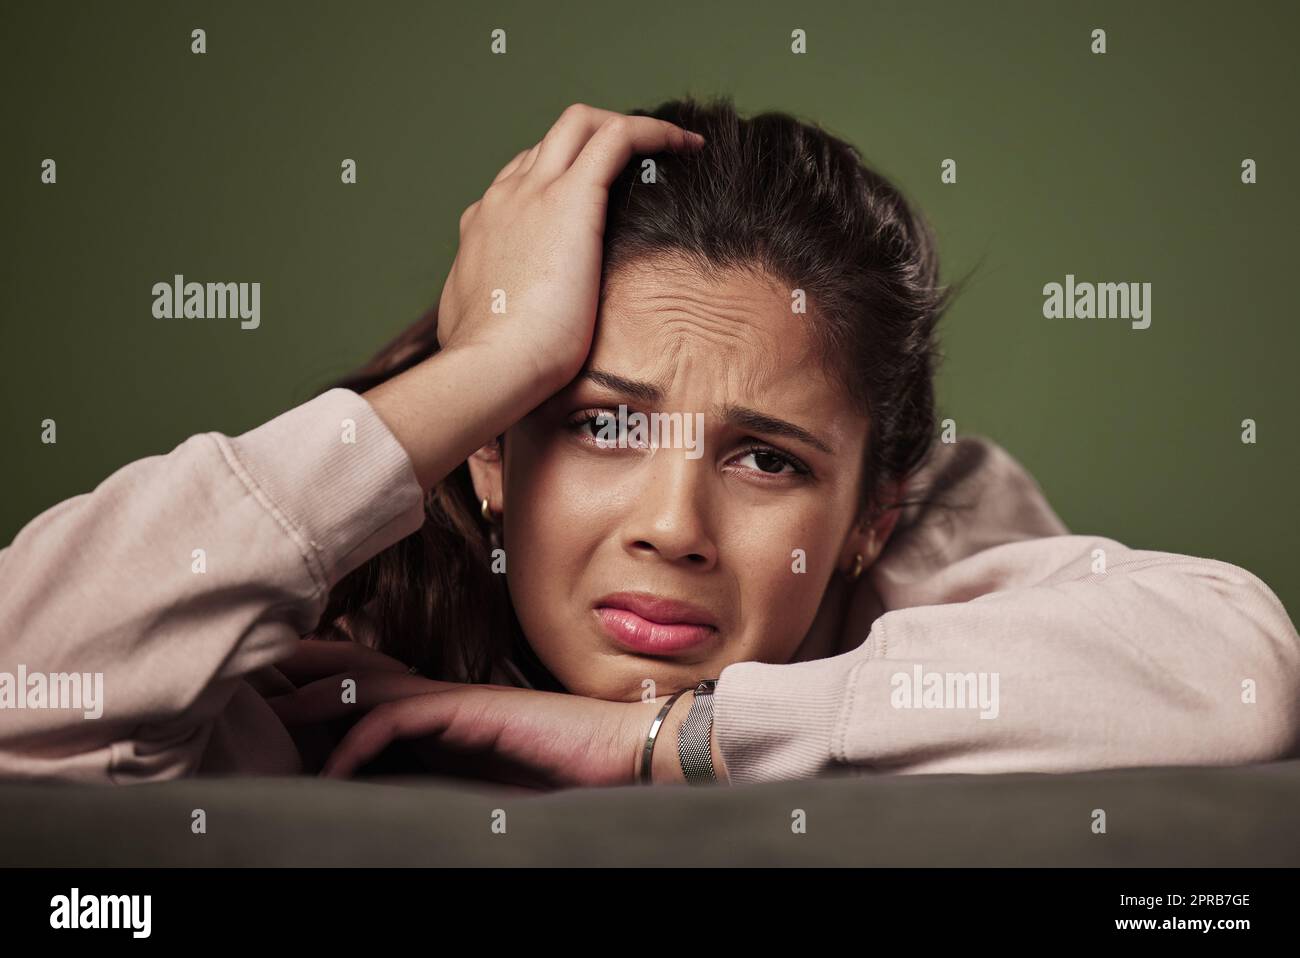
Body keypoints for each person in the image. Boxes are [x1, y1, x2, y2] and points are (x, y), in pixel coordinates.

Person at [2, 99, 1297, 789]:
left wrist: (662, 739)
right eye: (605, 423)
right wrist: (486, 370)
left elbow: (1233, 675)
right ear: (492, 456)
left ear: (872, 518)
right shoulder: (323, 680)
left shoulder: (916, 568)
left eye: (767, 458)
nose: (674, 524)